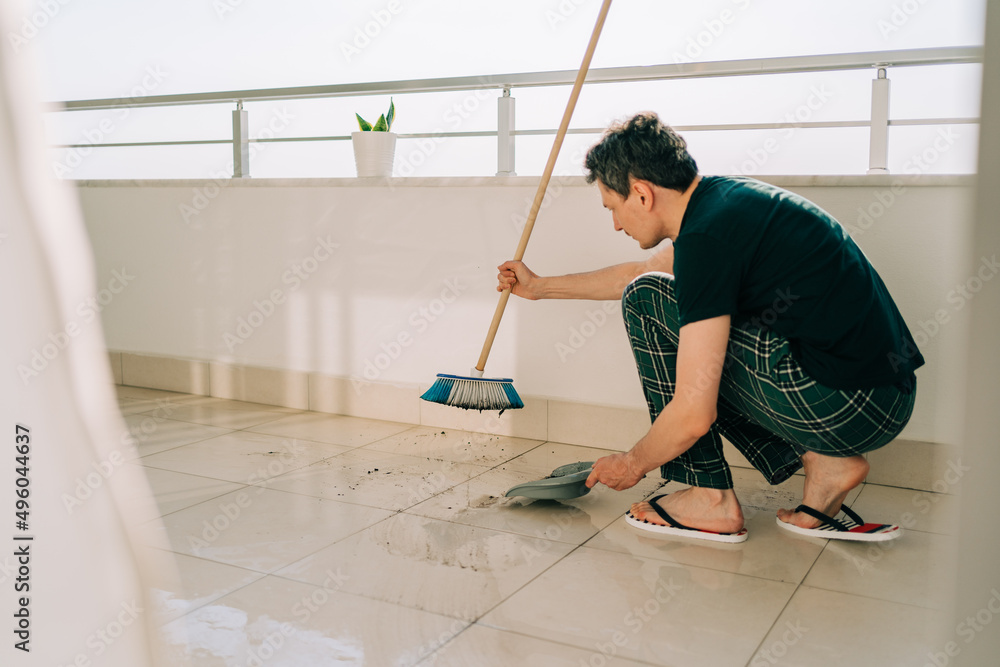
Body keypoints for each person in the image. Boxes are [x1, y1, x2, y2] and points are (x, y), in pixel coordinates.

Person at [497, 113, 923, 543]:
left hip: (846, 406)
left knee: (645, 302)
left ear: (641, 194)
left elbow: (693, 412)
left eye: (613, 208)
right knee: (652, 291)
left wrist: (631, 464)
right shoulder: (723, 202)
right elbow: (642, 272)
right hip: (884, 398)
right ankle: (829, 462)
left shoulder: (707, 240)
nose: (616, 224)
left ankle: (709, 497)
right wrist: (539, 287)